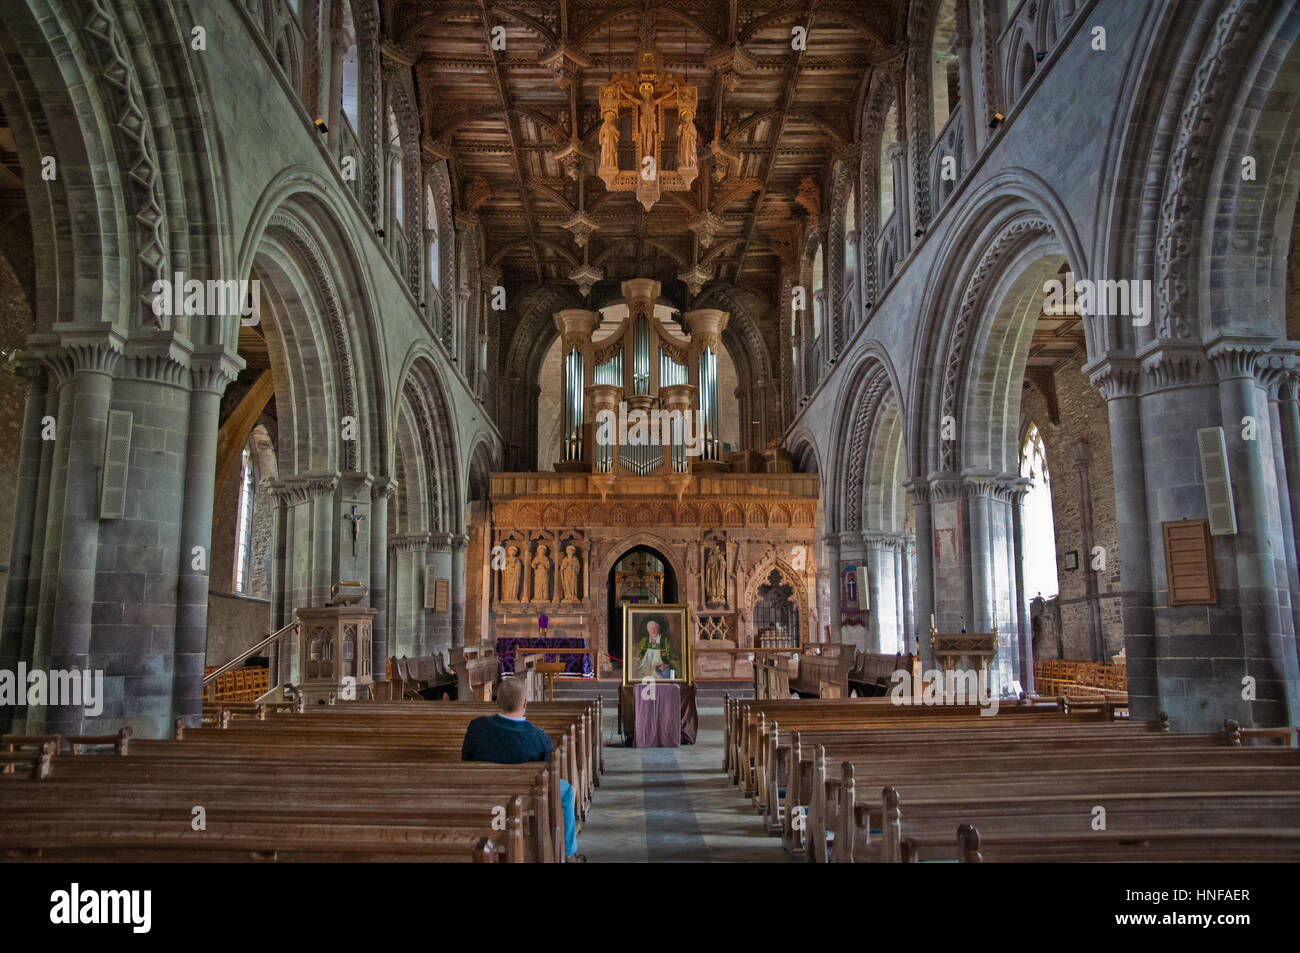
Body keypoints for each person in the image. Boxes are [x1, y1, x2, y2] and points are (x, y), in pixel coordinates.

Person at [461, 677, 584, 862]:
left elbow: (465, 759)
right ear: (525, 703)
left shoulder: (476, 727)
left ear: (497, 701)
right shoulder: (539, 738)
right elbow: (549, 777)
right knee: (565, 790)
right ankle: (568, 852)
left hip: (481, 790)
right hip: (524, 799)